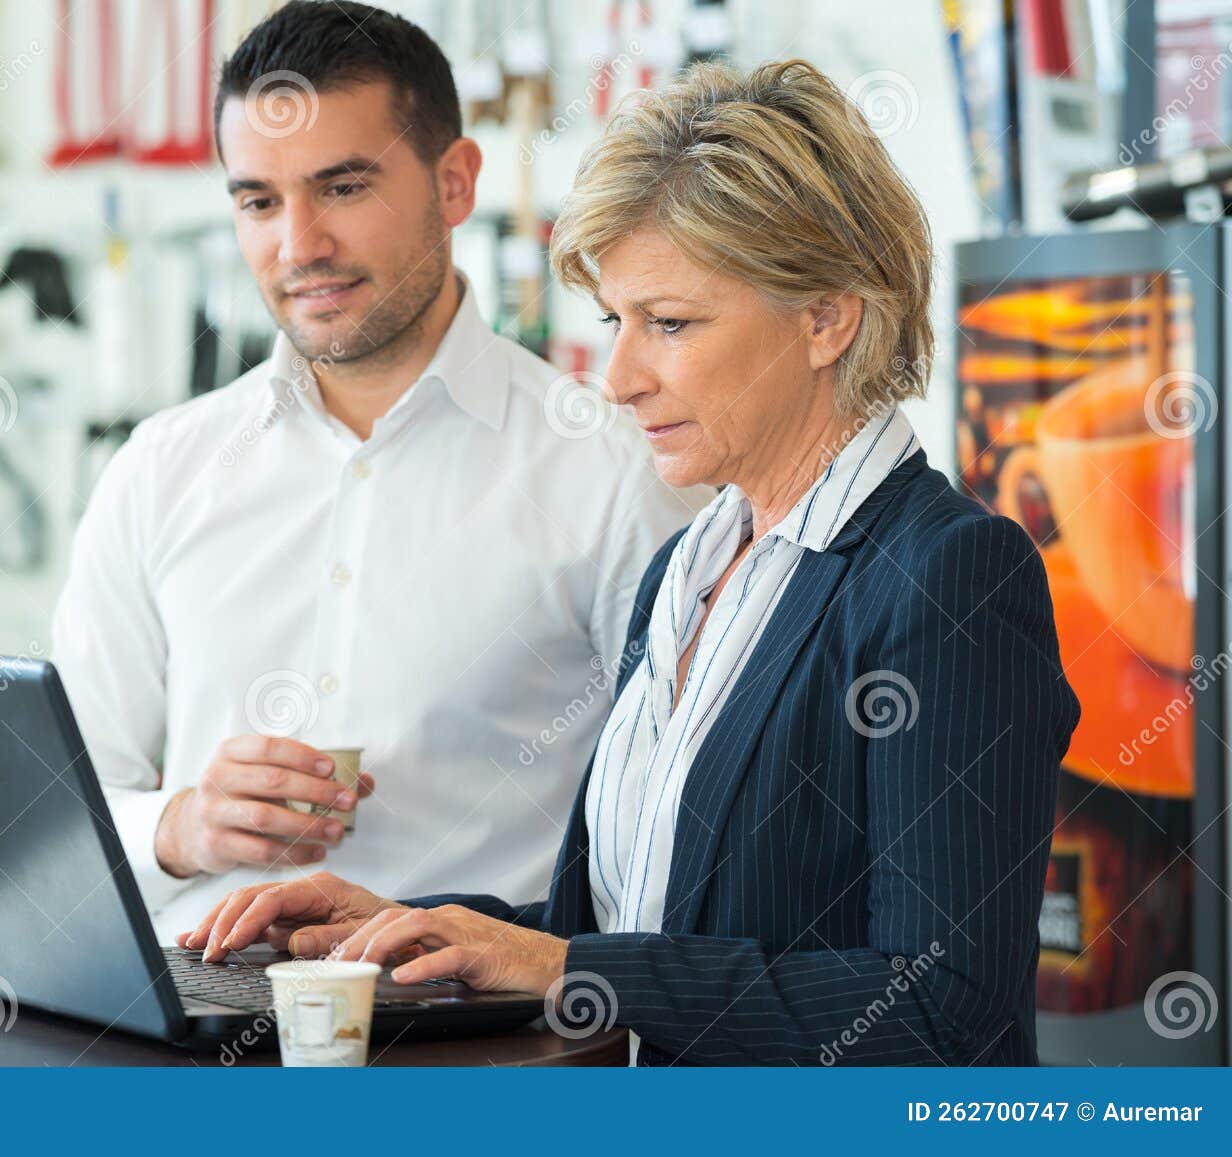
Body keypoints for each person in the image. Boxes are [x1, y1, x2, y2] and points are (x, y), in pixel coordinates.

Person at [181, 58, 1082, 1066]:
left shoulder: (945, 573)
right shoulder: (689, 567)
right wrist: (401, 925)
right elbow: (632, 919)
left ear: (827, 316)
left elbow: (939, 1002)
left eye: (670, 323)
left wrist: (564, 968)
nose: (616, 378)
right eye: (615, 321)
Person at [50, 2, 697, 941]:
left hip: (475, 1046)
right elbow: (49, 824)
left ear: (454, 183)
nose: (298, 245)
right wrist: (179, 827)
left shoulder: (613, 469)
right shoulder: (160, 469)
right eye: (258, 201)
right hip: (195, 1029)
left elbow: (682, 833)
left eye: (344, 188)